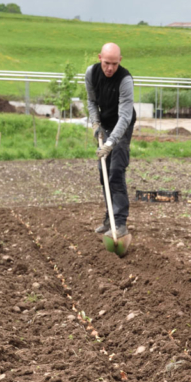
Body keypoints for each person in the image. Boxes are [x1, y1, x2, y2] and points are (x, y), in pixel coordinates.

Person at [85, 43, 135, 237]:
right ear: (100, 58)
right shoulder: (91, 73)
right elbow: (91, 101)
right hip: (104, 125)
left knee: (115, 171)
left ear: (120, 61)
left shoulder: (125, 80)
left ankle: (120, 223)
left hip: (122, 127)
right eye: (106, 63)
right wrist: (95, 123)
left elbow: (125, 116)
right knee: (103, 172)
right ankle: (109, 218)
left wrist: (110, 142)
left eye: (114, 64)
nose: (110, 68)